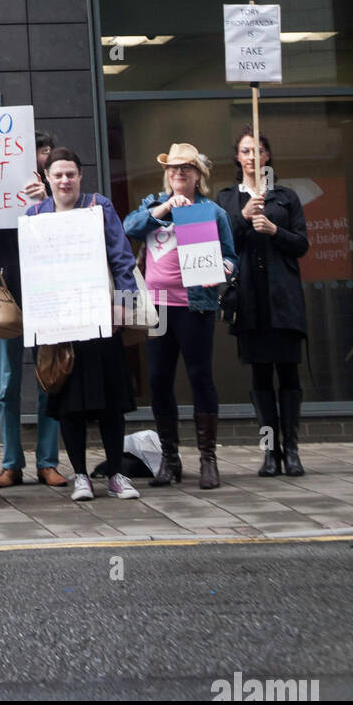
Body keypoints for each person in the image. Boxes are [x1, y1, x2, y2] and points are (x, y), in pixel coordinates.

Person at [27, 149, 141, 501]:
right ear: (47, 178)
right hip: (59, 323)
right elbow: (30, 269)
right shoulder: (34, 215)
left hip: (100, 316)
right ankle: (80, 476)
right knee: (69, 403)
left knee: (110, 401)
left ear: (80, 176)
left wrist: (125, 305)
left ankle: (117, 474)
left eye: (71, 174)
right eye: (58, 175)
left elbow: (121, 256)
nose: (65, 181)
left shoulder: (99, 206)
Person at [123, 142, 236, 490]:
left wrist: (222, 271)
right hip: (158, 308)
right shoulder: (152, 206)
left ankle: (208, 459)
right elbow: (128, 228)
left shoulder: (212, 212)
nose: (178, 173)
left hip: (195, 304)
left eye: (185, 168)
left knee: (200, 376)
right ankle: (169, 459)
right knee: (158, 379)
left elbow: (232, 259)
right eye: (172, 168)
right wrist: (165, 208)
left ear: (197, 174)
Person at [216, 128, 310, 477]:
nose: (252, 156)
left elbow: (301, 244)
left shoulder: (286, 197)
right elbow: (220, 241)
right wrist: (243, 216)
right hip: (249, 299)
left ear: (267, 156)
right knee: (259, 377)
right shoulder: (227, 199)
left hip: (283, 297)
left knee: (287, 374)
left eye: (258, 150)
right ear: (238, 158)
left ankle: (292, 449)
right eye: (245, 150)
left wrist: (275, 231)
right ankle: (270, 450)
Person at [0, 129, 66, 490]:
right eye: (33, 152)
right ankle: (11, 462)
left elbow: (71, 233)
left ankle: (48, 461)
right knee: (7, 385)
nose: (40, 158)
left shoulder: (58, 192)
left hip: (47, 293)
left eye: (45, 151)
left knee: (49, 377)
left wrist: (47, 199)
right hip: (6, 296)